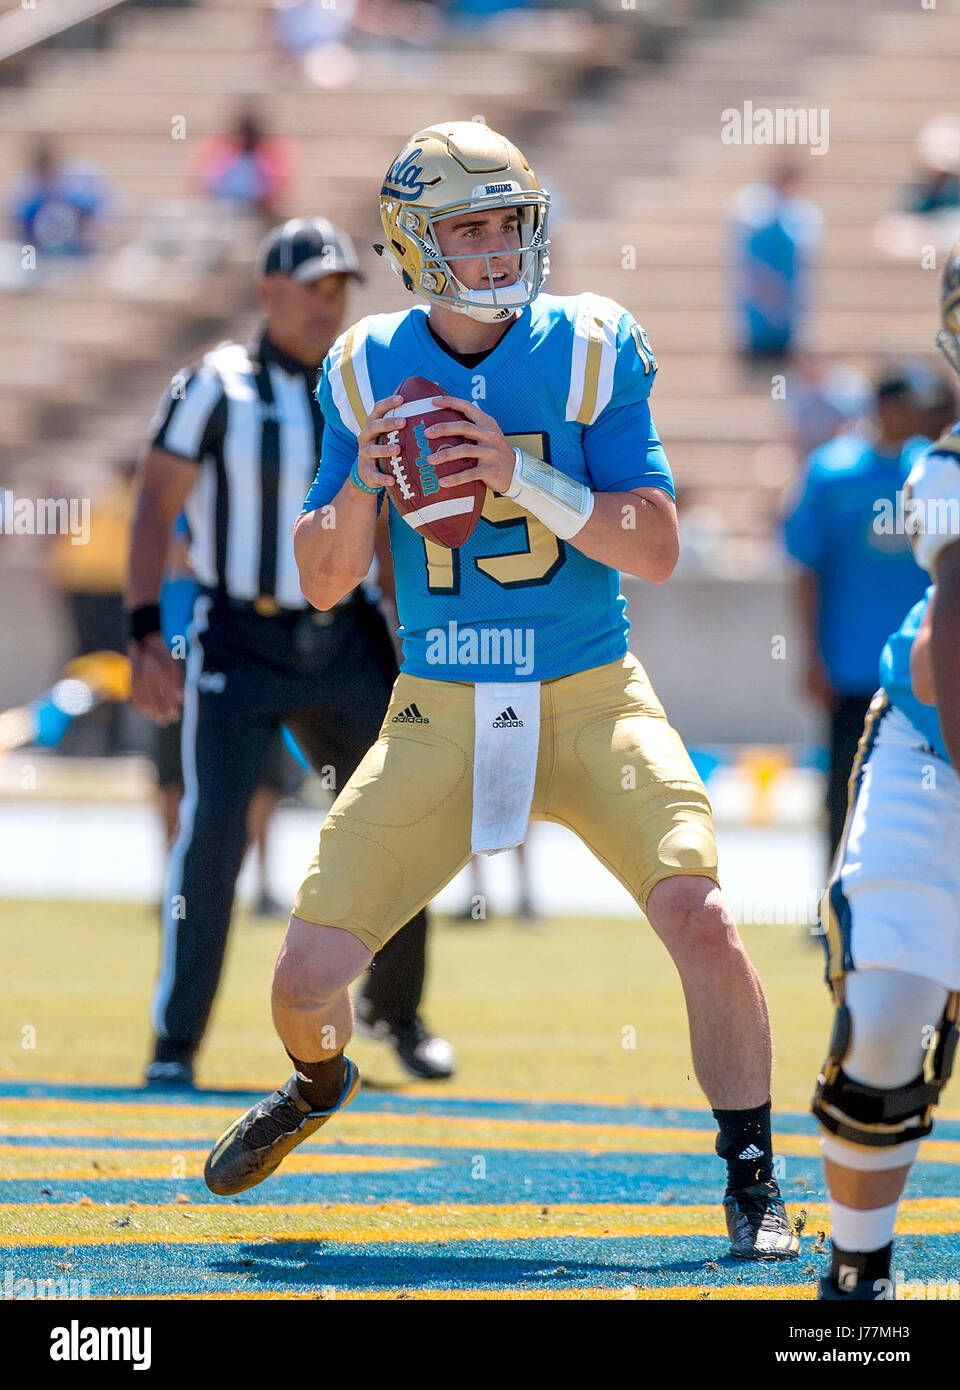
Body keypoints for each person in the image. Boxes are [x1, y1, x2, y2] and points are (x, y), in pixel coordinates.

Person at [203, 121, 799, 1262]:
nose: (495, 247)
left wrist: (516, 469)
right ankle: (321, 1083)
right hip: (440, 706)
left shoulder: (588, 344)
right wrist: (367, 487)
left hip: (589, 688)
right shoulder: (366, 364)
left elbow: (658, 544)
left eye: (508, 223)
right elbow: (323, 577)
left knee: (704, 916)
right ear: (415, 245)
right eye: (468, 227)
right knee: (303, 983)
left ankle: (755, 1181)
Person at [126, 217, 453, 1088]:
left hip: (344, 634)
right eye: (311, 286)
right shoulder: (214, 385)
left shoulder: (359, 386)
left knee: (402, 820)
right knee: (213, 837)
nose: (327, 302)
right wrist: (143, 633)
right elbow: (155, 506)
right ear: (267, 292)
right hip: (238, 631)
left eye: (339, 287)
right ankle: (176, 1040)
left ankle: (399, 1014)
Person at [812, 239, 960, 1299]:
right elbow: (943, 653)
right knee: (890, 1016)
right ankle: (858, 1278)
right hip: (937, 758)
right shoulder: (950, 468)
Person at [783, 370, 931, 865]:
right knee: (842, 785)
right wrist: (810, 656)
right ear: (887, 407)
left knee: (920, 789)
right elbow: (806, 569)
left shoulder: (931, 474)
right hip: (849, 663)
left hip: (918, 667)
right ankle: (830, 898)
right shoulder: (832, 473)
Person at [731, 161, 822, 372]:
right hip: (766, 312)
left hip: (789, 309)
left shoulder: (801, 214)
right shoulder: (757, 214)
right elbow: (757, 266)